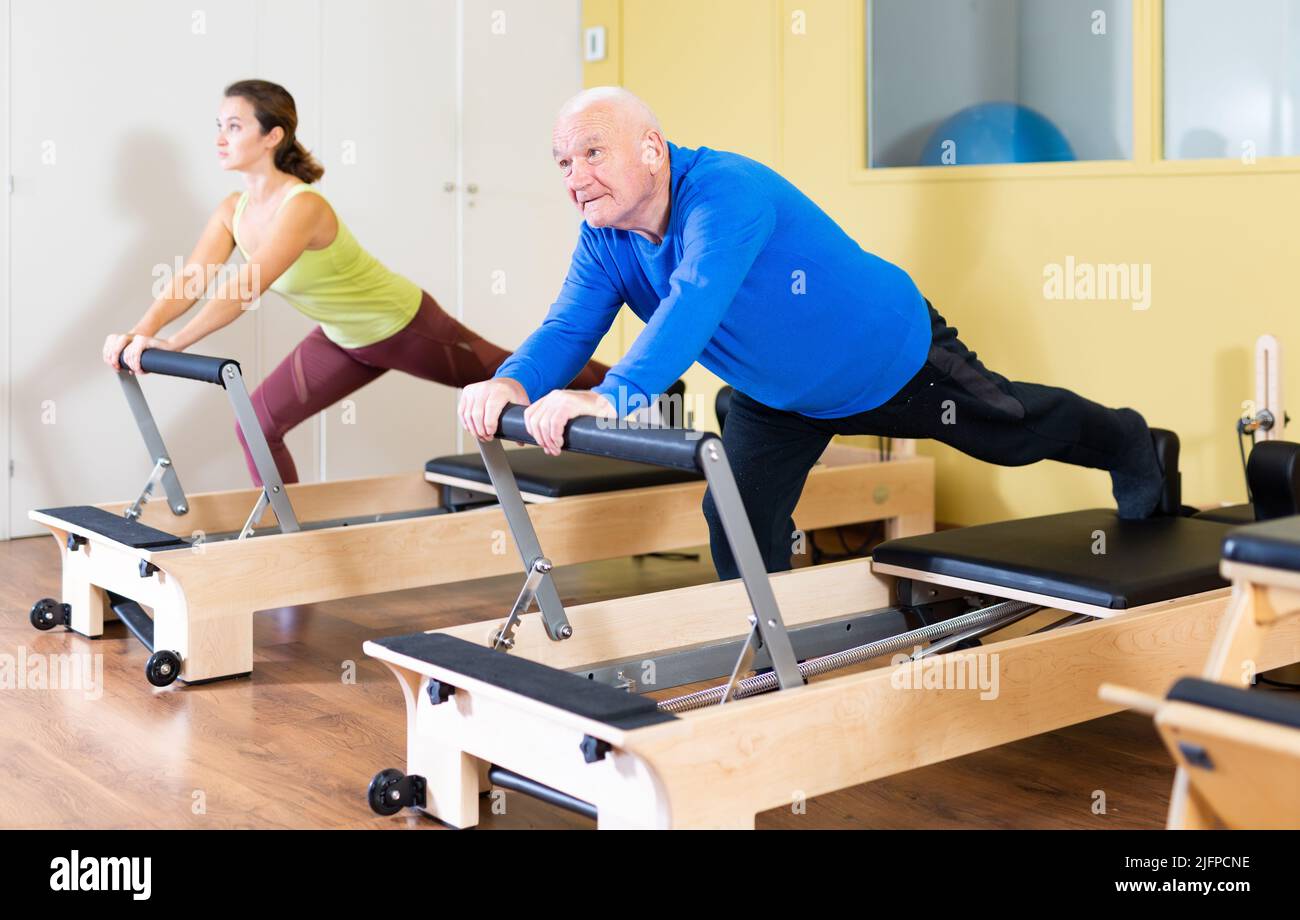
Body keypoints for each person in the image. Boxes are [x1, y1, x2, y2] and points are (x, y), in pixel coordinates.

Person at [460, 86, 1166, 581]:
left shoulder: (725, 191)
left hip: (893, 359)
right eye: (562, 163)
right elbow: (568, 326)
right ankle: (771, 647)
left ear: (651, 150)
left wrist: (613, 398)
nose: (575, 178)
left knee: (1014, 431)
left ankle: (1131, 442)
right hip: (782, 396)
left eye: (591, 154)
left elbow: (695, 298)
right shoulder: (605, 237)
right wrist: (513, 382)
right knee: (738, 508)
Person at [103, 79, 607, 486]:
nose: (219, 137)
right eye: (218, 126)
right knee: (256, 423)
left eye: (233, 126)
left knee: (524, 376)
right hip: (343, 339)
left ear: (272, 136)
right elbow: (193, 277)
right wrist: (140, 332)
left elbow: (242, 289)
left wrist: (173, 342)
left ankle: (625, 385)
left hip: (405, 326)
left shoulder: (302, 207)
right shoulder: (231, 211)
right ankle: (287, 541)